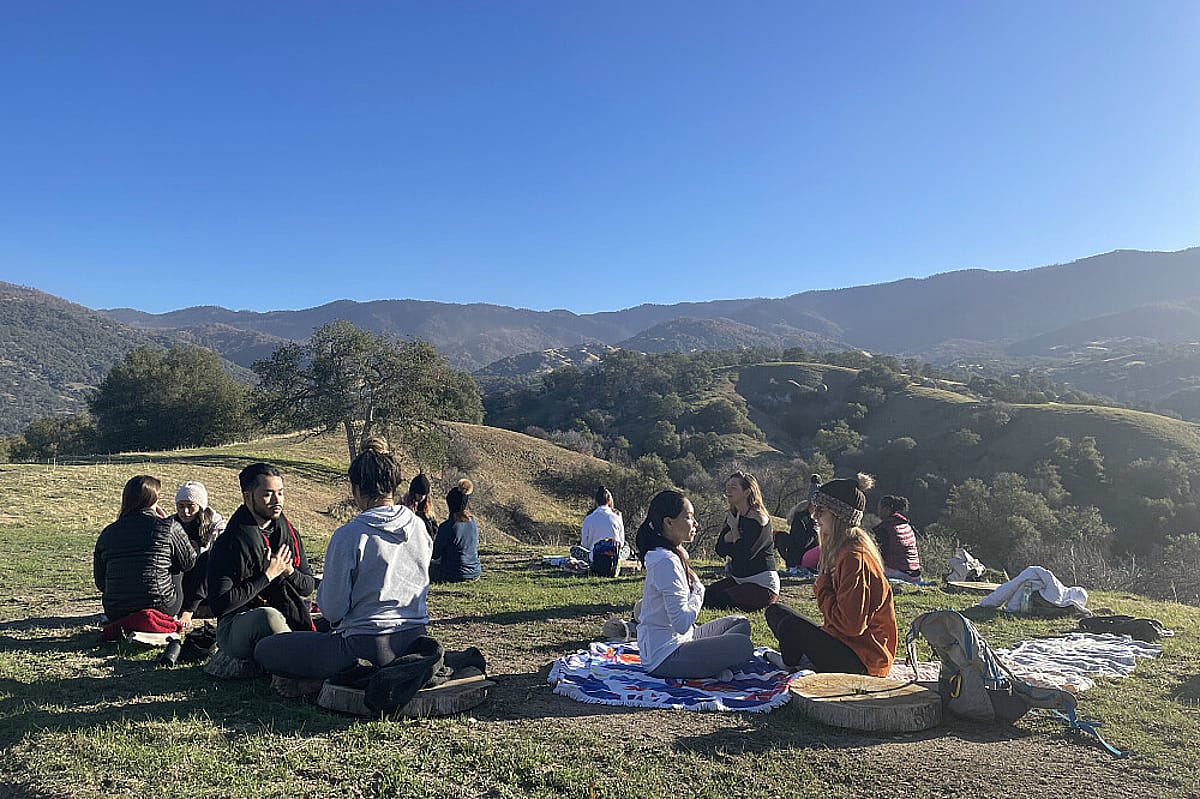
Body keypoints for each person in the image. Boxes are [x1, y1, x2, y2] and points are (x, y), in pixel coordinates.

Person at [255, 438, 431, 679]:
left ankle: (337, 677)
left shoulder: (350, 535)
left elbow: (333, 610)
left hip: (365, 647)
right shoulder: (419, 526)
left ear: (357, 488)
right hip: (415, 637)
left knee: (266, 649)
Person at [765, 473, 898, 677]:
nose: (814, 516)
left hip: (864, 660)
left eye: (821, 510)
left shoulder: (854, 557)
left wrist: (823, 588)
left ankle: (791, 664)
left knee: (791, 626)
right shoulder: (844, 550)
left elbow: (852, 626)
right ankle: (803, 661)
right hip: (847, 644)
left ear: (838, 516)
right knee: (776, 612)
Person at [635, 489, 754, 679]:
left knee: (740, 623)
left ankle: (710, 666)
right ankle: (712, 667)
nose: (695, 523)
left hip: (686, 639)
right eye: (689, 517)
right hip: (665, 656)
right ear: (669, 522)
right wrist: (699, 592)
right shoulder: (665, 561)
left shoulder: (673, 554)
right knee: (742, 646)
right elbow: (681, 623)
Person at [206, 463, 316, 661]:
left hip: (284, 610)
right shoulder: (230, 542)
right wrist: (267, 576)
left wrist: (289, 571)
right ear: (248, 496)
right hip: (237, 625)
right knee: (267, 617)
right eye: (267, 494)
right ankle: (300, 659)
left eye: (280, 493)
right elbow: (221, 605)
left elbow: (307, 587)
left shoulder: (288, 534)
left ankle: (300, 653)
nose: (277, 500)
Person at [94, 475, 197, 623]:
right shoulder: (167, 526)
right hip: (162, 606)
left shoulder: (108, 533)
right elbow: (189, 562)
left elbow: (100, 581)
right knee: (176, 562)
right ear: (154, 499)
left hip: (116, 609)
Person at [704, 472, 779, 611]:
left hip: (762, 586)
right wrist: (729, 536)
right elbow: (719, 550)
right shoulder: (733, 516)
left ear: (747, 492)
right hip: (739, 580)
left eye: (733, 487)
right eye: (727, 486)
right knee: (707, 595)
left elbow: (745, 555)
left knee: (719, 601)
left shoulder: (758, 519)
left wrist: (735, 532)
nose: (728, 490)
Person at [172, 481, 227, 628]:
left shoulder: (215, 525)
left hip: (206, 580)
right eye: (181, 506)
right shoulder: (171, 524)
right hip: (182, 577)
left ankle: (189, 610)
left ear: (200, 506)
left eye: (191, 506)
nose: (185, 512)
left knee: (208, 558)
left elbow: (223, 551)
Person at [430, 479, 481, 583]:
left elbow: (435, 554)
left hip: (454, 573)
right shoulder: (473, 523)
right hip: (475, 572)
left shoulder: (447, 526)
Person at [873, 495, 923, 580]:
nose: (878, 511)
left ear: (887, 509)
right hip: (915, 573)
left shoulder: (885, 529)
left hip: (898, 571)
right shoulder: (906, 525)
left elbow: (881, 554)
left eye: (880, 508)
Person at [579, 486, 628, 558]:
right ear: (609, 500)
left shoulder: (588, 519)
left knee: (575, 550)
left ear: (596, 501)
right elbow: (621, 542)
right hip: (613, 558)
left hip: (594, 557)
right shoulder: (617, 518)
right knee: (626, 546)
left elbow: (584, 544)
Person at [778, 499, 818, 570]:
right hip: (799, 559)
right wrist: (814, 531)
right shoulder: (801, 520)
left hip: (801, 558)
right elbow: (802, 543)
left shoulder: (809, 520)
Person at [401, 473, 438, 539]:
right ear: (413, 492)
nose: (422, 497)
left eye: (424, 495)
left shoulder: (428, 509)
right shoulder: (404, 506)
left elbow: (434, 529)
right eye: (419, 495)